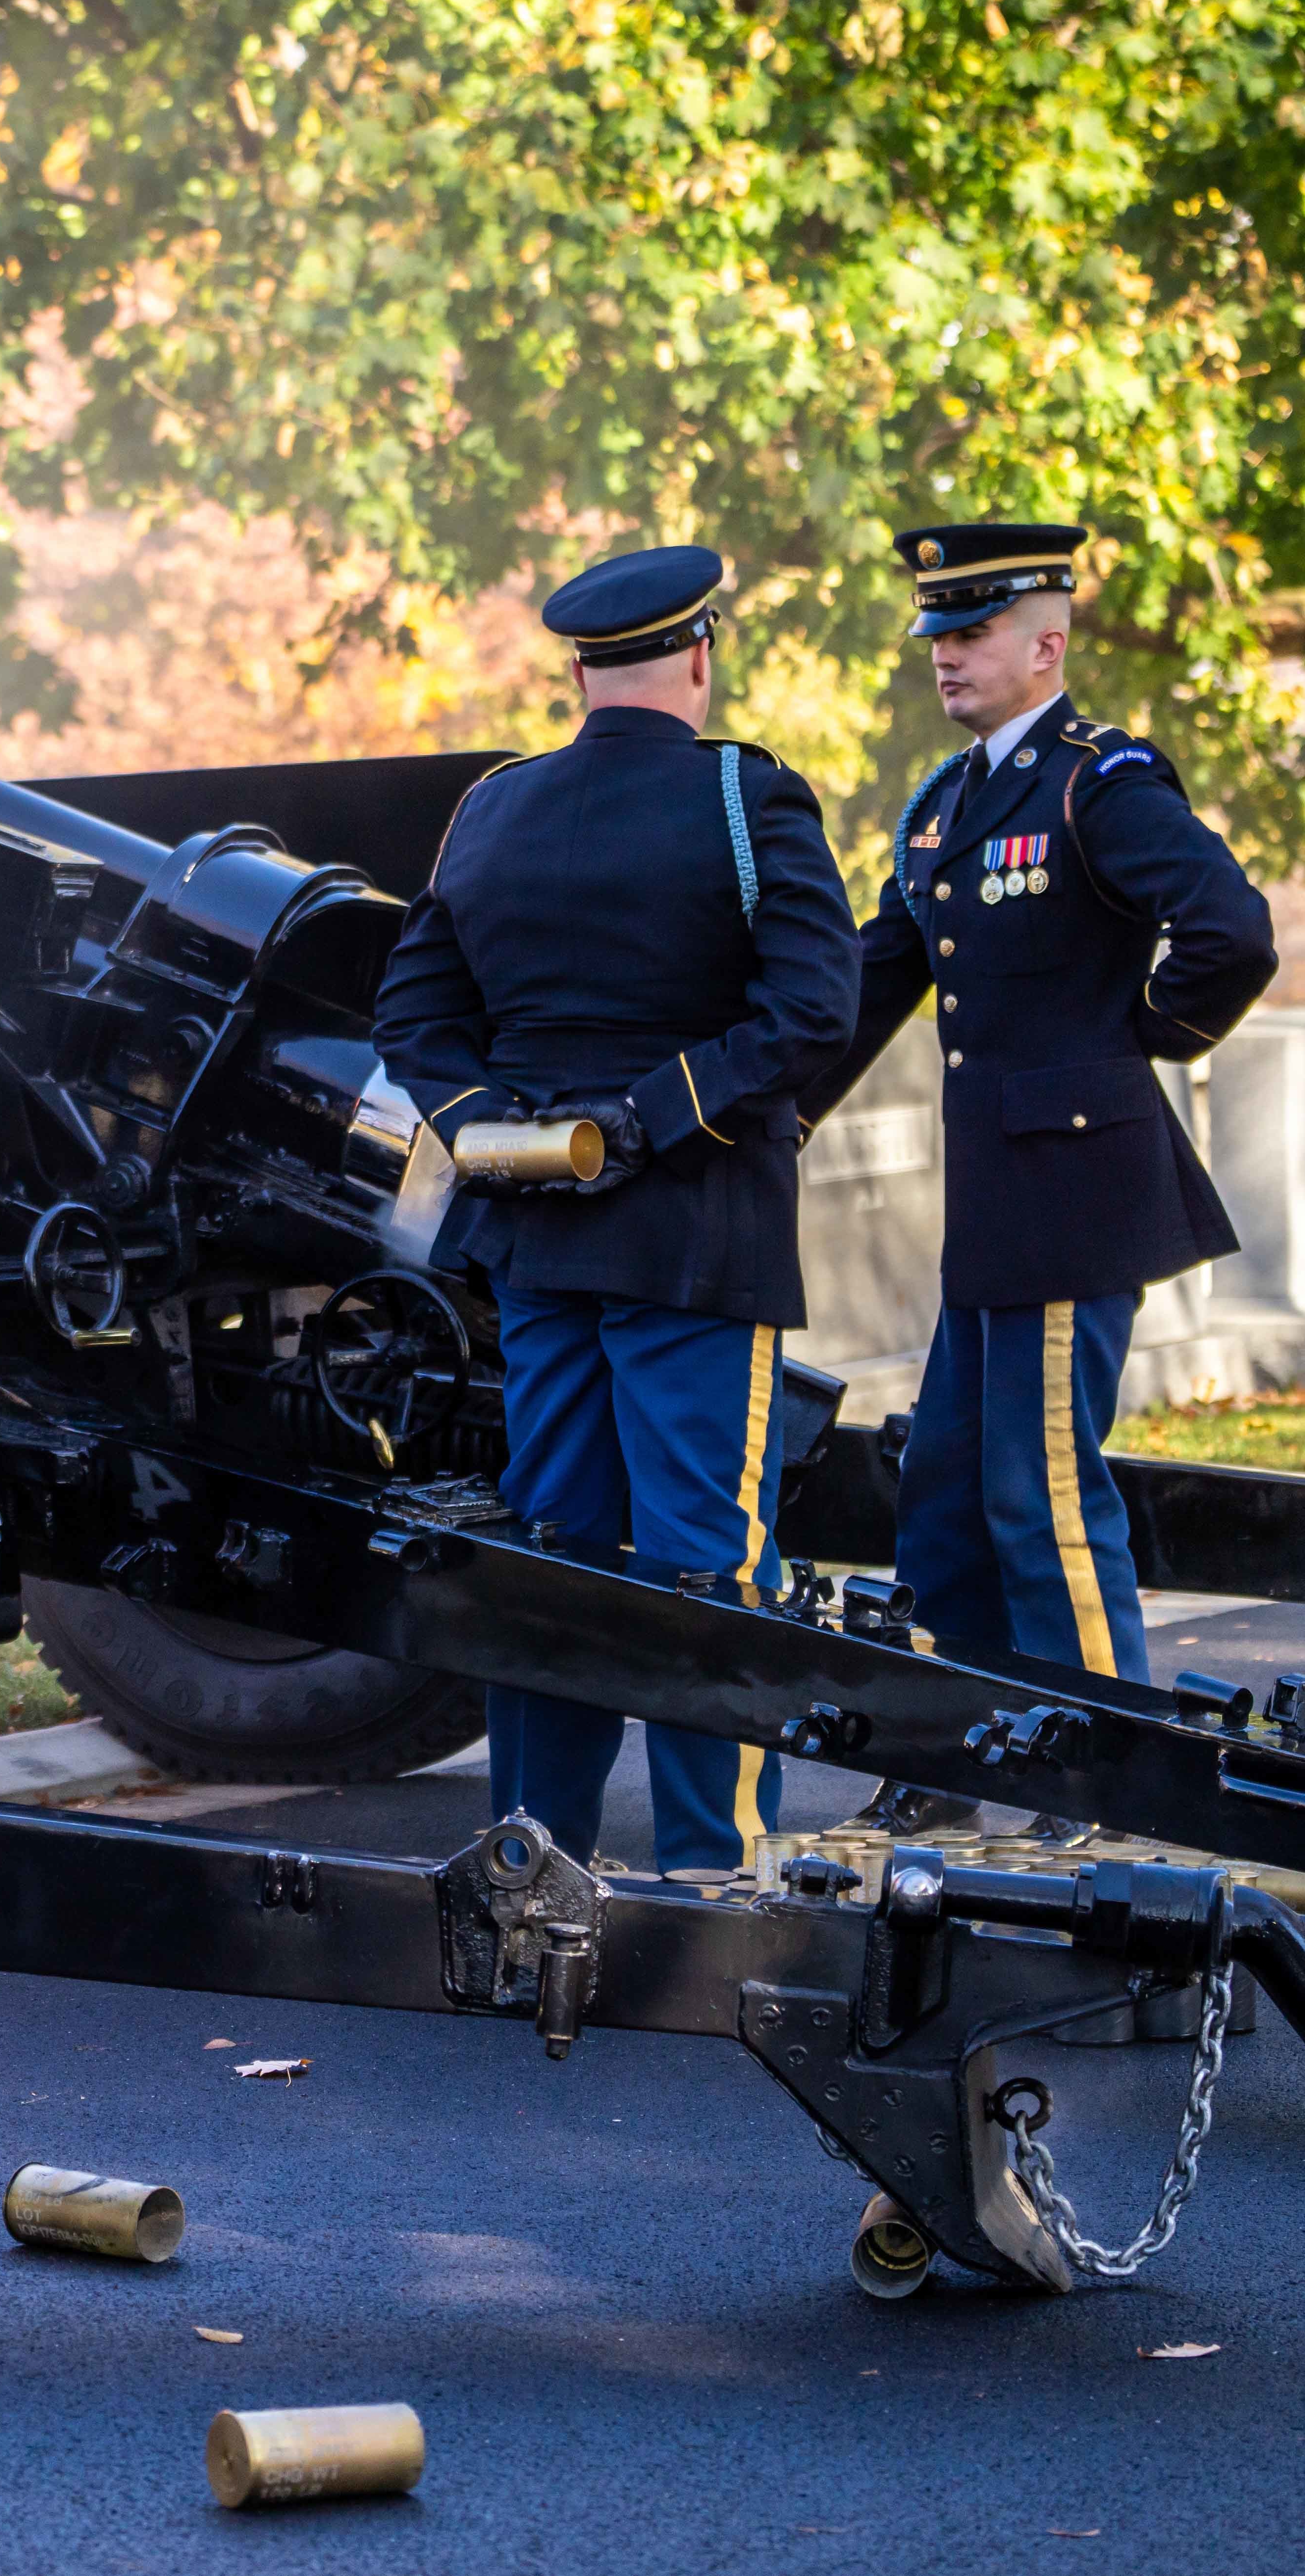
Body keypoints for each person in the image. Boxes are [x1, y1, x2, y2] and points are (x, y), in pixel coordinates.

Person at [372, 543, 856, 1874]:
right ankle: (714, 1869)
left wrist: (500, 1131)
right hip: (695, 1236)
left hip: (535, 1236)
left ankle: (534, 1857)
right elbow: (815, 1008)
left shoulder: (493, 807)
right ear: (699, 655)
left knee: (554, 1553)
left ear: (580, 672)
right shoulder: (745, 795)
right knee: (706, 1557)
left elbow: (411, 1012)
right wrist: (650, 1116)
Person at [797, 523, 1276, 1706]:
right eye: (937, 635)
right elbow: (871, 981)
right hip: (996, 1218)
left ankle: (1114, 1764)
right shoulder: (946, 803)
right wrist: (761, 1109)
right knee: (946, 1490)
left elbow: (1231, 933)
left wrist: (1141, 1035)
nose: (944, 654)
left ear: (1046, 645)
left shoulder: (1098, 782)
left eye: (972, 632)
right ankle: (947, 1757)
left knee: (1042, 1490)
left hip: (1074, 1200)